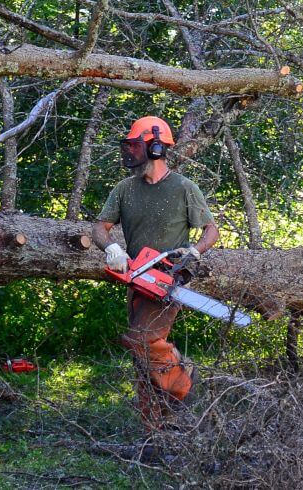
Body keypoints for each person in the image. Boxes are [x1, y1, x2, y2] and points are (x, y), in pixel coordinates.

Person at [91, 116, 220, 429]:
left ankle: (183, 381)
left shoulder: (183, 188)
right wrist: (112, 248)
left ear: (157, 147)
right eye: (130, 145)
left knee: (141, 340)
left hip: (168, 279)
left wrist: (194, 250)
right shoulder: (124, 190)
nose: (130, 152)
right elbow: (99, 227)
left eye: (137, 145)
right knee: (141, 358)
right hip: (136, 278)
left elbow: (212, 230)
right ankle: (153, 429)